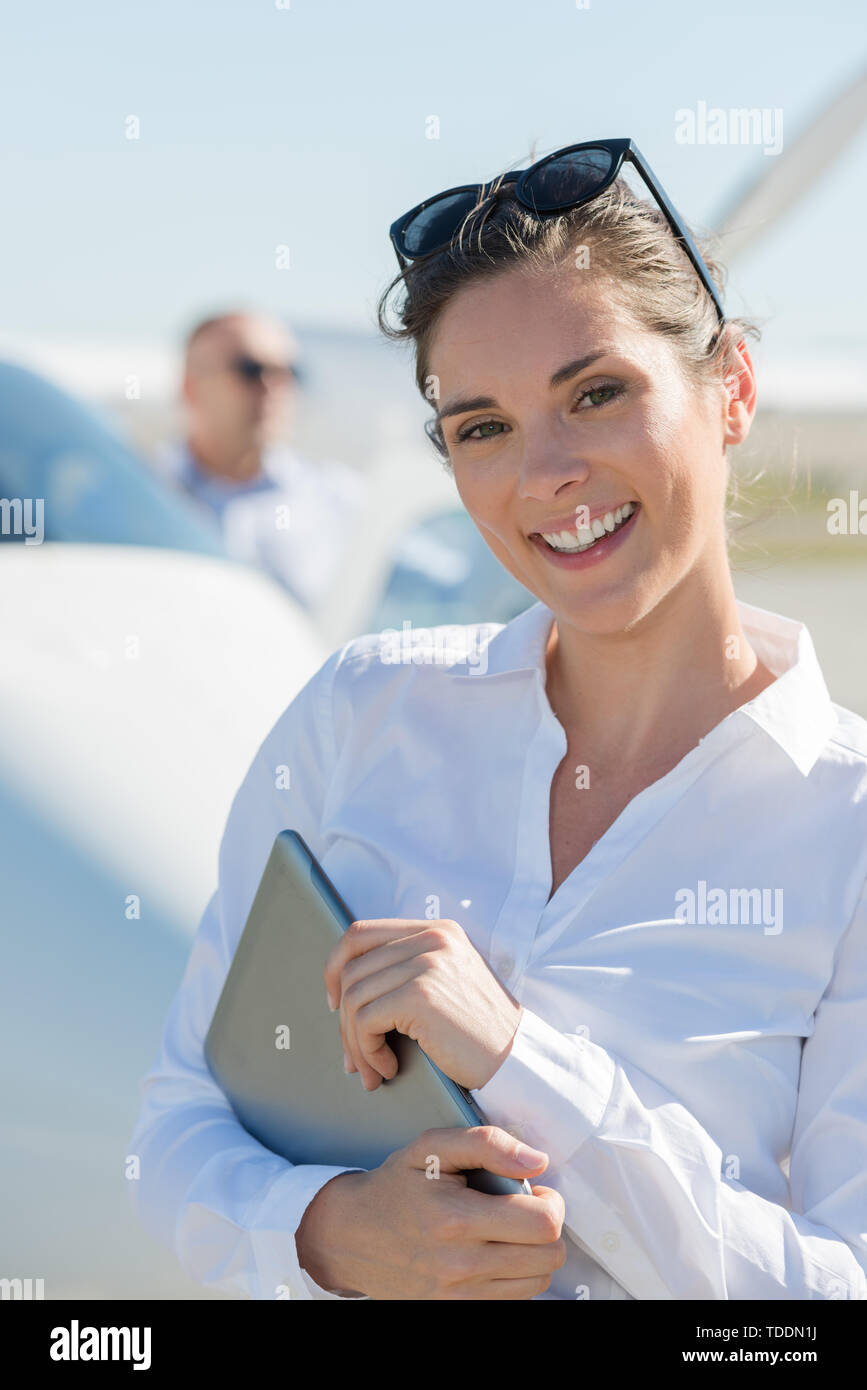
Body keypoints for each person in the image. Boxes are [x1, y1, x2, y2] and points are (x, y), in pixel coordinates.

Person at [128, 141, 867, 1300]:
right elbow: (179, 1122)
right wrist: (320, 1232)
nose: (548, 473)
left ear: (731, 386)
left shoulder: (850, 819)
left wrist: (525, 1062)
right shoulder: (358, 712)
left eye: (596, 393)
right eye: (483, 427)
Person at [156, 310, 363, 612]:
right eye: (251, 370)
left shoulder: (343, 501)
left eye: (289, 373)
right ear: (190, 387)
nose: (274, 388)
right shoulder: (141, 493)